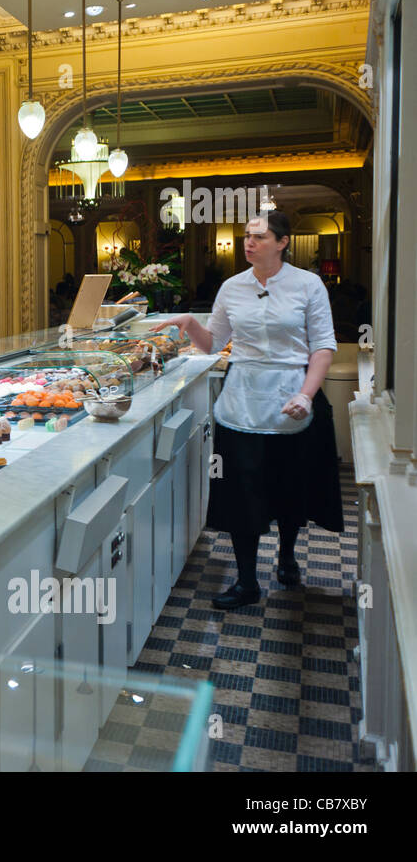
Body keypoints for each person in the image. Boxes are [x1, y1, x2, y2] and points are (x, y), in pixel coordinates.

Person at [153, 210, 343, 610]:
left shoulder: (308, 285)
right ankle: (245, 582)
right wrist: (189, 322)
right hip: (242, 399)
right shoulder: (232, 287)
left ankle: (287, 555)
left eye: (258, 236)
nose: (248, 243)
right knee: (243, 496)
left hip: (293, 393)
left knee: (290, 488)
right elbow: (214, 342)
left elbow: (323, 346)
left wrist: (307, 395)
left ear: (283, 242)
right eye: (246, 237)